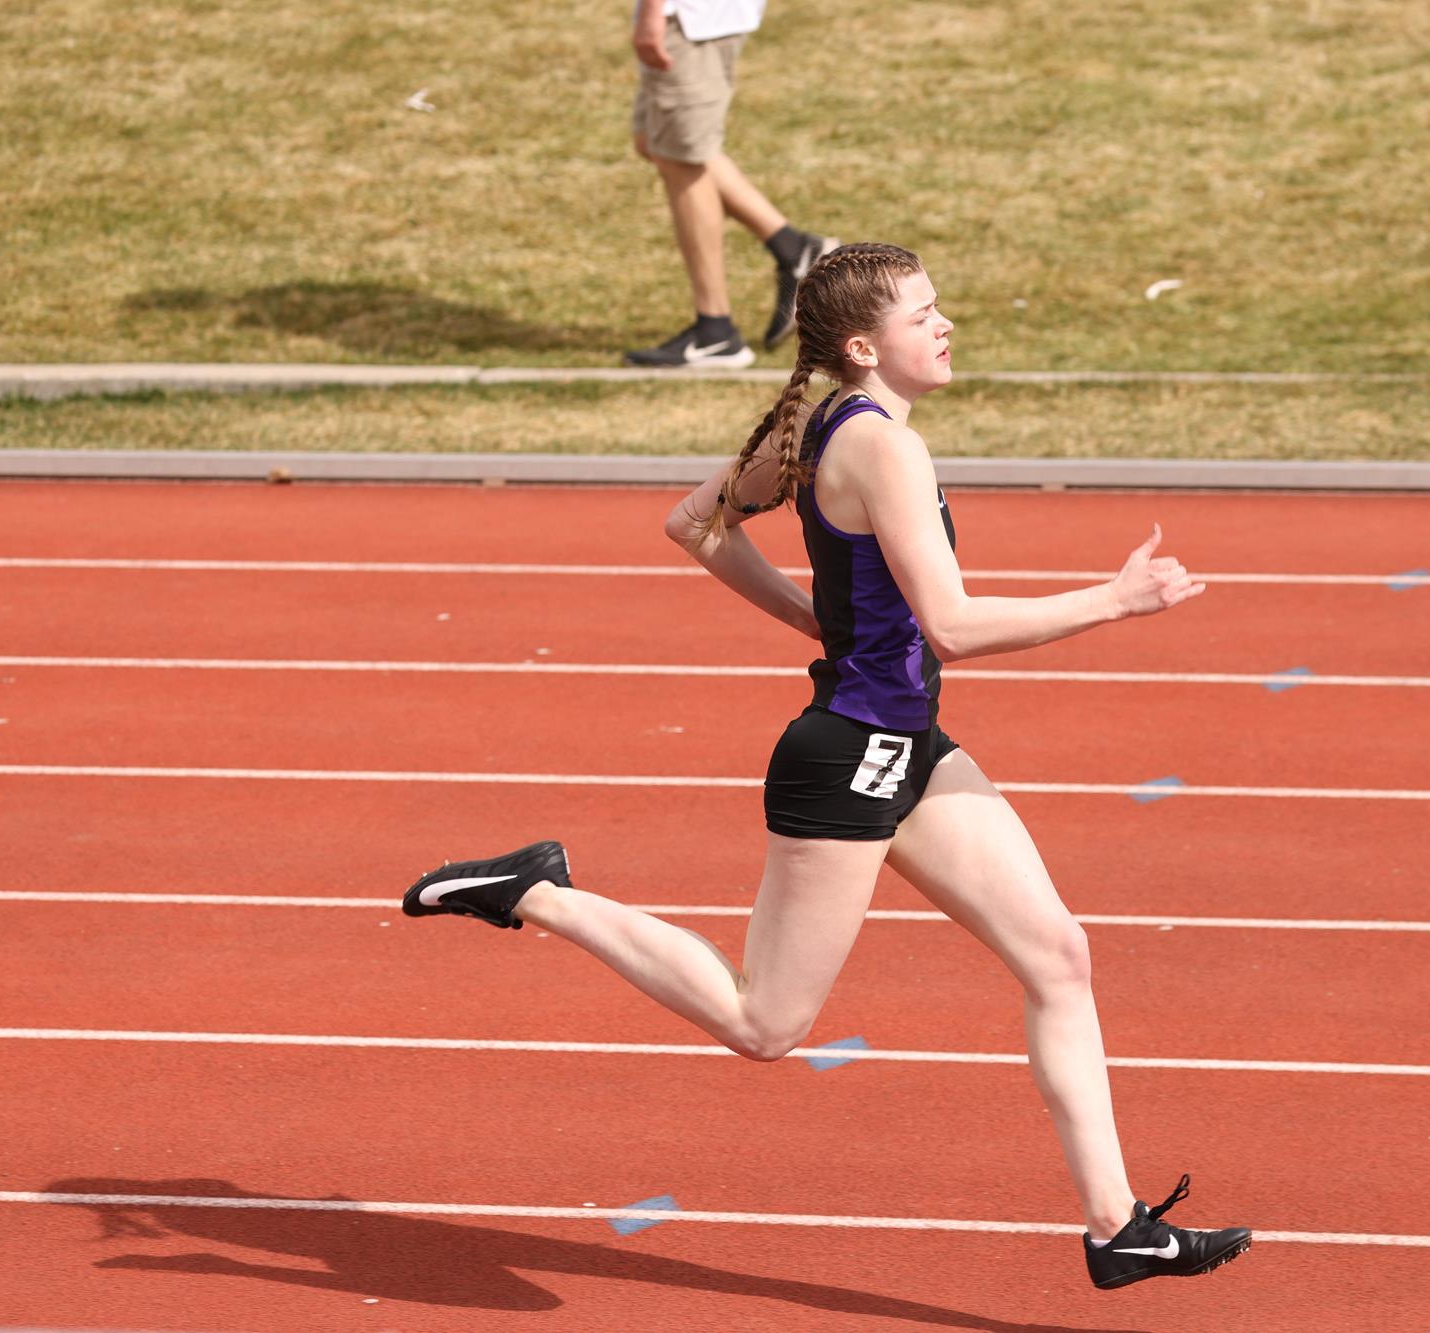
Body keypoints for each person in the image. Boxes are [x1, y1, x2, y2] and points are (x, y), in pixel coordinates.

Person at [403, 243, 1251, 1289]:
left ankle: (1116, 1225)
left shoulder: (821, 425)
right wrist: (1111, 601)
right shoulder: (886, 449)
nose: (944, 327)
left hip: (907, 748)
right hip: (850, 755)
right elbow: (950, 626)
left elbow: (691, 523)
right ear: (863, 345)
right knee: (765, 1024)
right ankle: (536, 891)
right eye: (922, 315)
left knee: (1057, 956)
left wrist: (821, 617)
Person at [622, 0, 837, 369]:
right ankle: (796, 248)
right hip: (705, 17)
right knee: (654, 143)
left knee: (681, 159)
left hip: (688, 19)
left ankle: (715, 332)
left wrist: (652, 13)